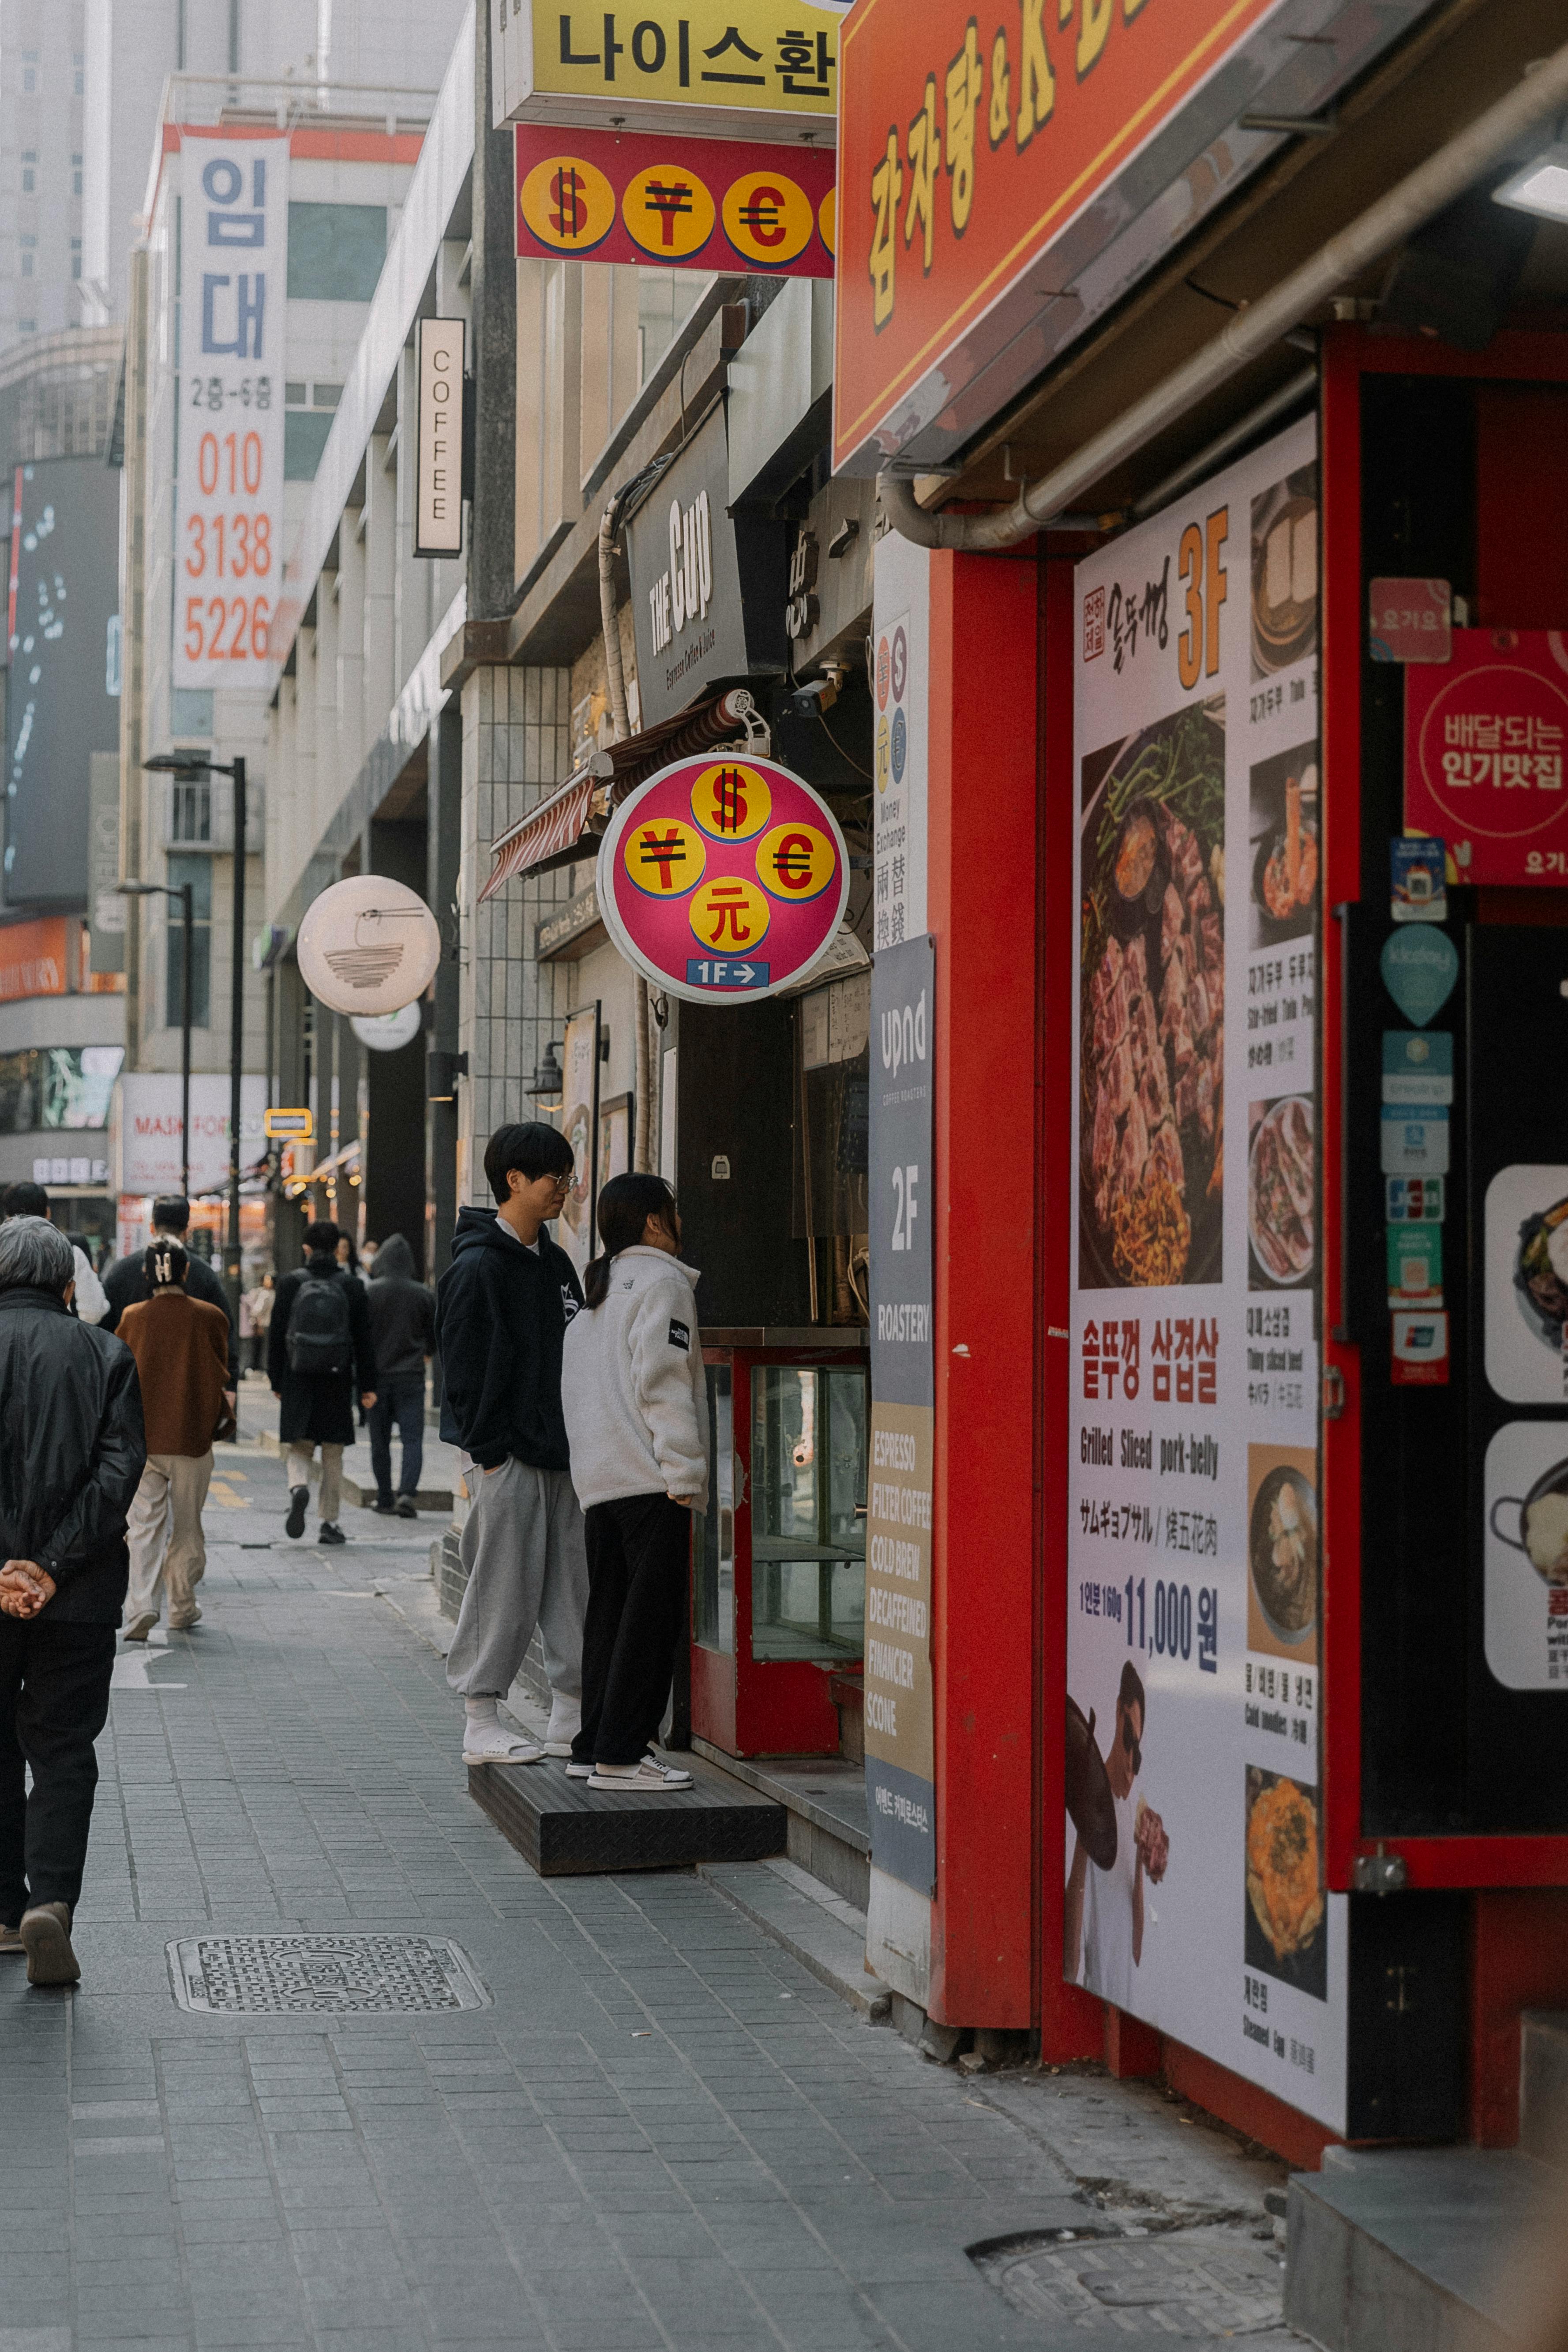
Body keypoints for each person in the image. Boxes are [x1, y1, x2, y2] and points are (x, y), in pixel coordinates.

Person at [0, 1216, 146, 1986]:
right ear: (67, 1287)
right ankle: (50, 1901)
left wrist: (6, 1570)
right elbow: (120, 1473)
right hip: (79, 1592)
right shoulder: (104, 1354)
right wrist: (50, 1567)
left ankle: (1, 1908)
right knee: (62, 1747)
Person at [436, 1122, 588, 1769]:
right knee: (502, 1585)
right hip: (508, 1455)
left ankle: (571, 1714)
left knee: (570, 1586)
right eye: (555, 1176)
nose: (564, 1187)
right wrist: (488, 1451)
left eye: (567, 1175)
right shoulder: (475, 1266)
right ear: (514, 1180)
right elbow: (462, 1368)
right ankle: (480, 1717)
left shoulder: (554, 1261)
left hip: (563, 1450)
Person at [559, 1174, 700, 1792]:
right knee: (652, 1618)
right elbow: (664, 1382)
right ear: (652, 1221)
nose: (677, 1220)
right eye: (672, 1210)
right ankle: (622, 1753)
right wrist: (684, 1470)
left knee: (610, 1616)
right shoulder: (663, 1281)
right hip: (650, 1479)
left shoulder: (598, 1288)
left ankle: (591, 1745)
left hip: (600, 1480)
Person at [116, 1238, 231, 1640]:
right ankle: (181, 1607)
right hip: (192, 1438)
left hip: (143, 1439)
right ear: (185, 1272)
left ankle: (141, 1607)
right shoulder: (211, 1316)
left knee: (142, 1526)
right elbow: (222, 1374)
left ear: (147, 1274)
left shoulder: (132, 1316)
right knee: (187, 1528)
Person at [1063, 1662, 1166, 2009]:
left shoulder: (1130, 1812)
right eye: (1128, 1742)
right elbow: (1072, 1938)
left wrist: (1140, 1859)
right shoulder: (1092, 1801)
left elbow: (1137, 1948)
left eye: (1138, 1756)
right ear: (1117, 1715)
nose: (1130, 1763)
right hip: (1095, 1995)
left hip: (1125, 2001)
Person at [268, 1219, 375, 1547]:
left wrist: (277, 1379)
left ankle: (299, 1487)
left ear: (307, 1248)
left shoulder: (289, 1283)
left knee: (300, 1446)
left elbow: (276, 1336)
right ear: (337, 1248)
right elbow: (364, 1340)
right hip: (337, 1379)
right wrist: (368, 1386)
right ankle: (329, 1522)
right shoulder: (352, 1286)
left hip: (298, 1377)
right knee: (332, 1452)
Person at [102, 1195, 236, 1380]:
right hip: (190, 1383)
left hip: (135, 1384)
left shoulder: (120, 1272)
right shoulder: (204, 1274)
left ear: (152, 1227)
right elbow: (225, 1333)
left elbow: (105, 1333)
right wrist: (230, 1385)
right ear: (186, 1231)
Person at [364, 1234, 435, 1517]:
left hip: (377, 1379)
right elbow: (434, 1335)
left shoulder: (371, 1292)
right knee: (413, 1439)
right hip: (411, 1376)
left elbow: (362, 1337)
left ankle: (384, 1497)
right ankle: (406, 1493)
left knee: (379, 1440)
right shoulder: (423, 1293)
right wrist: (424, 1353)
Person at [2, 1182, 109, 1324]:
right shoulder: (70, 1252)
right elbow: (94, 1310)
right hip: (61, 1337)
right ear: (48, 1213)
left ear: (7, 1217)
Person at [241, 1269, 275, 1376]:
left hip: (263, 1323)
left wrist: (252, 1314)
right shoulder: (273, 1293)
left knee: (262, 1347)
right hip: (269, 1323)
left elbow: (258, 1310)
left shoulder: (265, 1294)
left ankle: (262, 1366)